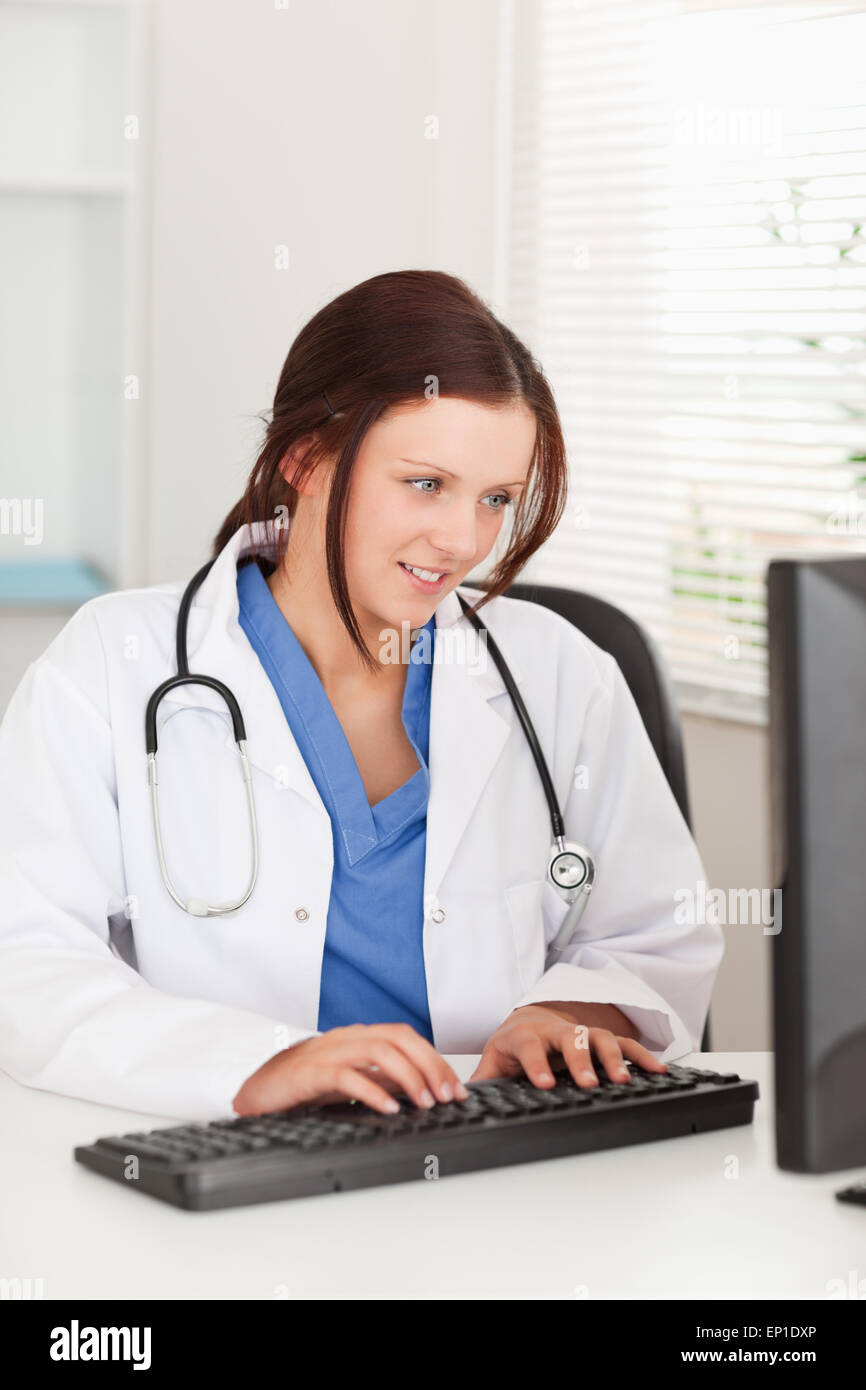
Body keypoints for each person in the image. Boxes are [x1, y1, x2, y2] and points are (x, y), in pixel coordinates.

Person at [0, 269, 723, 1123]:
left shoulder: (559, 673)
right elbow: (29, 960)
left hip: (495, 1162)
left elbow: (655, 934)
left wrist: (563, 1015)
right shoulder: (115, 663)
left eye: (495, 499)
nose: (462, 541)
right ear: (304, 458)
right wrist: (259, 1066)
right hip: (220, 1159)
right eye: (426, 484)